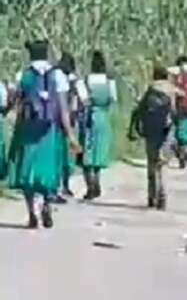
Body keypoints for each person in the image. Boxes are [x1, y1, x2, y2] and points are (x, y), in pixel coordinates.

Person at [8, 39, 82, 228]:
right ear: (46, 54)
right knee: (49, 171)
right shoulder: (57, 76)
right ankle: (47, 204)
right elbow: (63, 110)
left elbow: (13, 102)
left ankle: (32, 212)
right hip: (50, 131)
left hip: (26, 130)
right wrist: (71, 136)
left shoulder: (22, 75)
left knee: (27, 173)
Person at [129, 63, 179, 210]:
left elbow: (139, 109)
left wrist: (135, 127)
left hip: (151, 130)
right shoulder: (172, 89)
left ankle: (152, 196)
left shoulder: (151, 89)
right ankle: (162, 195)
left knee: (151, 163)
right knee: (162, 164)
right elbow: (176, 111)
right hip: (167, 129)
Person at [79, 50, 116, 200]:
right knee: (99, 152)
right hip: (104, 117)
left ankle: (90, 186)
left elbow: (84, 100)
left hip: (89, 117)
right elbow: (113, 99)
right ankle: (97, 181)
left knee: (87, 152)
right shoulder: (109, 81)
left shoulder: (86, 80)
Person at [57, 52, 88, 202]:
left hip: (54, 120)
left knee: (56, 152)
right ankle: (65, 184)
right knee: (69, 154)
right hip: (72, 118)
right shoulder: (75, 81)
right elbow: (85, 100)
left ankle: (56, 185)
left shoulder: (53, 77)